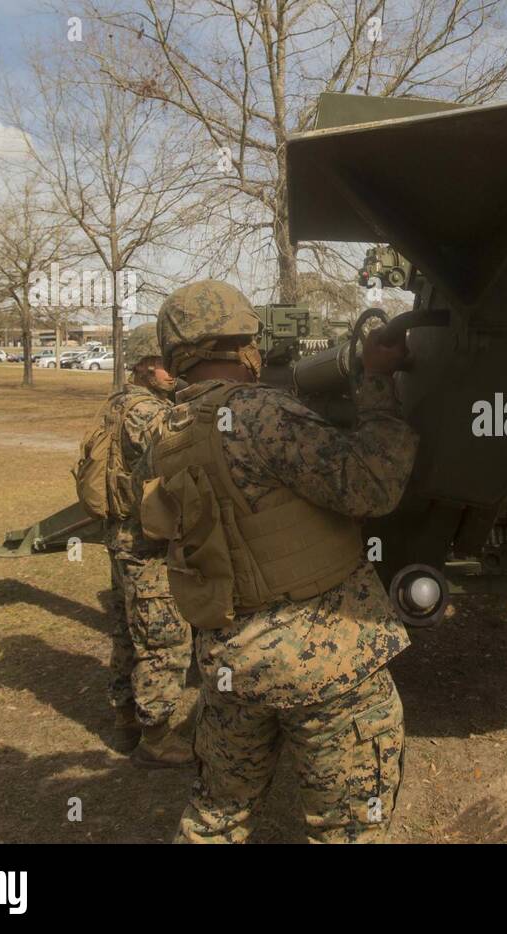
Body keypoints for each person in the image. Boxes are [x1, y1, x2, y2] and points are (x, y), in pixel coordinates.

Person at [133, 280, 418, 842]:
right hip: (325, 661)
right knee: (351, 827)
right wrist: (378, 385)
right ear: (245, 348)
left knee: (218, 814)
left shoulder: (163, 435)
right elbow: (370, 487)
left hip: (227, 660)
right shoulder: (263, 413)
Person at [94, 324, 191, 764]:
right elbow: (181, 441)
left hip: (121, 536)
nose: (172, 371)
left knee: (127, 632)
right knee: (164, 639)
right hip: (145, 543)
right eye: (164, 364)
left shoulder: (117, 402)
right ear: (145, 366)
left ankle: (125, 720)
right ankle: (157, 737)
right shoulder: (144, 411)